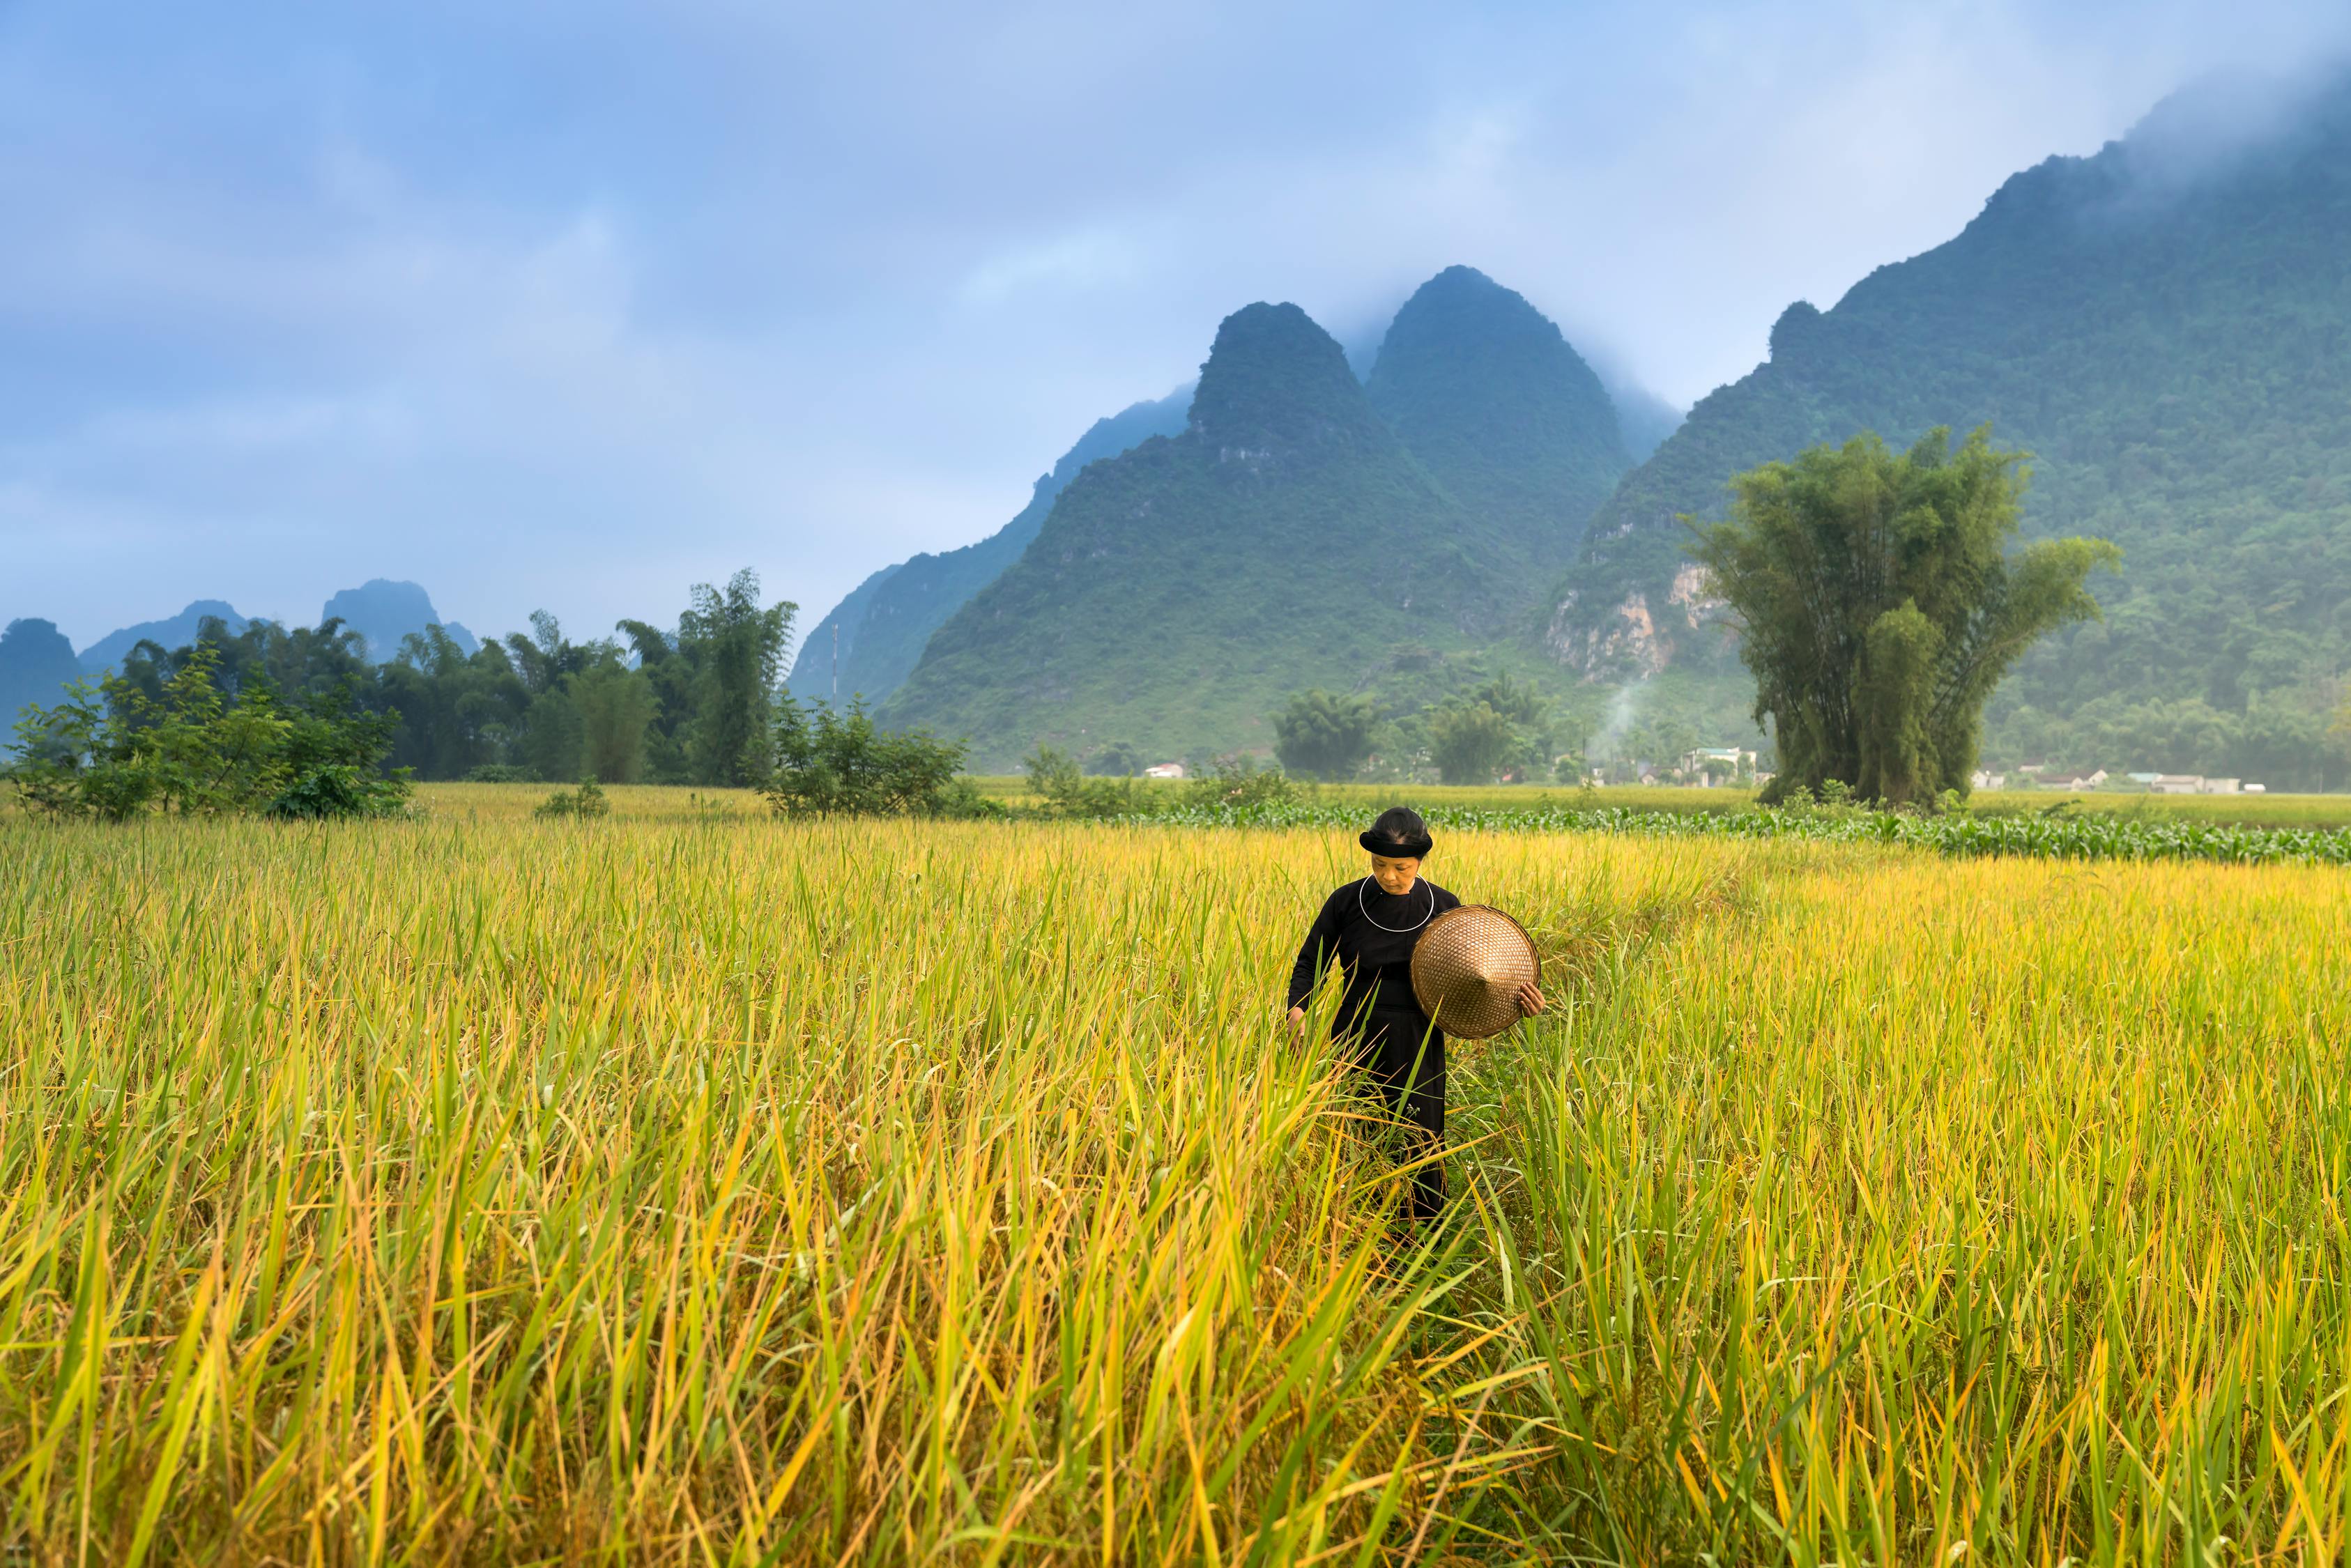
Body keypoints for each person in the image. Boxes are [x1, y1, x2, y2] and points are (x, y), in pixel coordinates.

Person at [1285, 806, 1542, 1224]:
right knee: (1357, 1132)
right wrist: (1298, 1008)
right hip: (1355, 1035)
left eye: (1400, 867)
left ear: (1420, 862)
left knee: (1420, 1138)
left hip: (1418, 1039)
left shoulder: (1445, 907)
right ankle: (1355, 1233)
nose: (1389, 876)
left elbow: (1479, 973)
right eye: (1380, 865)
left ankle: (1419, 1239)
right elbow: (1312, 961)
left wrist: (1518, 999)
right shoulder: (1347, 902)